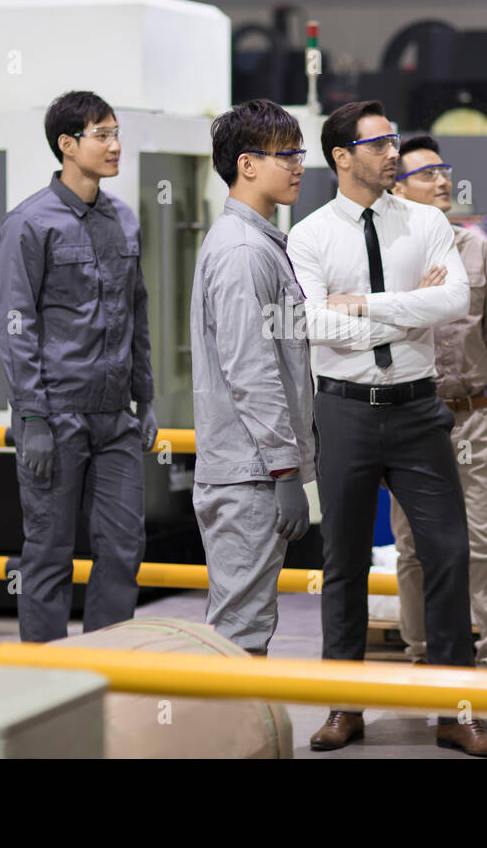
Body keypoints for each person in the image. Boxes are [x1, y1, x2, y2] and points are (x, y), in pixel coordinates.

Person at [287, 100, 487, 756]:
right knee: (344, 562)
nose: (392, 153)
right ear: (342, 158)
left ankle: (455, 712)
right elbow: (316, 324)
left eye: (391, 141)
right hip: (345, 410)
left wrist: (368, 305)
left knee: (448, 553)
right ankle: (344, 707)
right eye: (377, 143)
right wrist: (405, 313)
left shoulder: (425, 222)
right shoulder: (311, 235)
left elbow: (454, 301)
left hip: (417, 410)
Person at [0, 90, 158, 643]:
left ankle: (106, 671)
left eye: (117, 134)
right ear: (68, 145)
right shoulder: (29, 224)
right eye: (102, 135)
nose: (115, 146)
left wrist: (147, 396)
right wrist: (33, 419)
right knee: (47, 551)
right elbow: (16, 325)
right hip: (56, 414)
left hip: (115, 417)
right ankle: (44, 677)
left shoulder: (124, 221)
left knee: (123, 546)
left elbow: (136, 308)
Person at [388, 134, 487, 670]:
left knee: (485, 545)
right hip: (408, 419)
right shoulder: (387, 252)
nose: (443, 180)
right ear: (396, 188)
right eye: (427, 174)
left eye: (445, 170)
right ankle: (422, 654)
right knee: (412, 549)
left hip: (470, 418)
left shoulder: (475, 250)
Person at [190, 99, 316, 656]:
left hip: (252, 466)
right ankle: (227, 741)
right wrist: (286, 468)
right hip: (251, 471)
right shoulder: (243, 250)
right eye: (286, 154)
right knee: (240, 632)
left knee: (244, 620)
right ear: (247, 164)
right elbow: (252, 369)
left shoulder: (257, 241)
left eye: (299, 153)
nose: (298, 166)